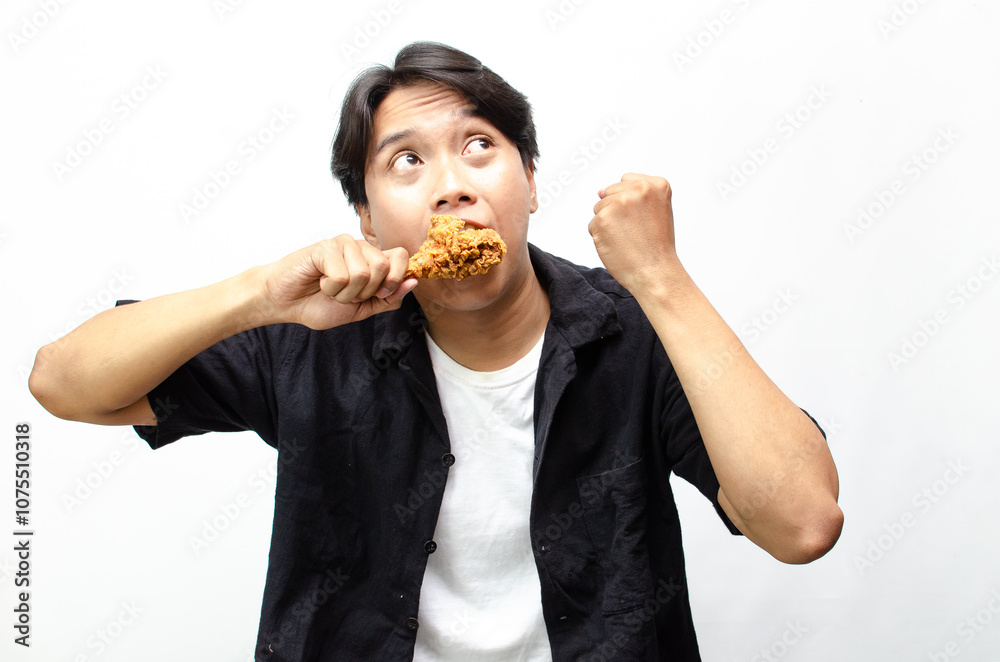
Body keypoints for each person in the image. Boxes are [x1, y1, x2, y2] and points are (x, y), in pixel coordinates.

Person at [29, 41, 842, 662]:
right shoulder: (318, 334)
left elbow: (804, 524)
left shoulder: (633, 328)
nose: (452, 185)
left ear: (529, 179)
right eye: (407, 161)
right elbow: (63, 383)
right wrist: (258, 295)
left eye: (480, 146)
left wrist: (662, 279)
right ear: (367, 218)